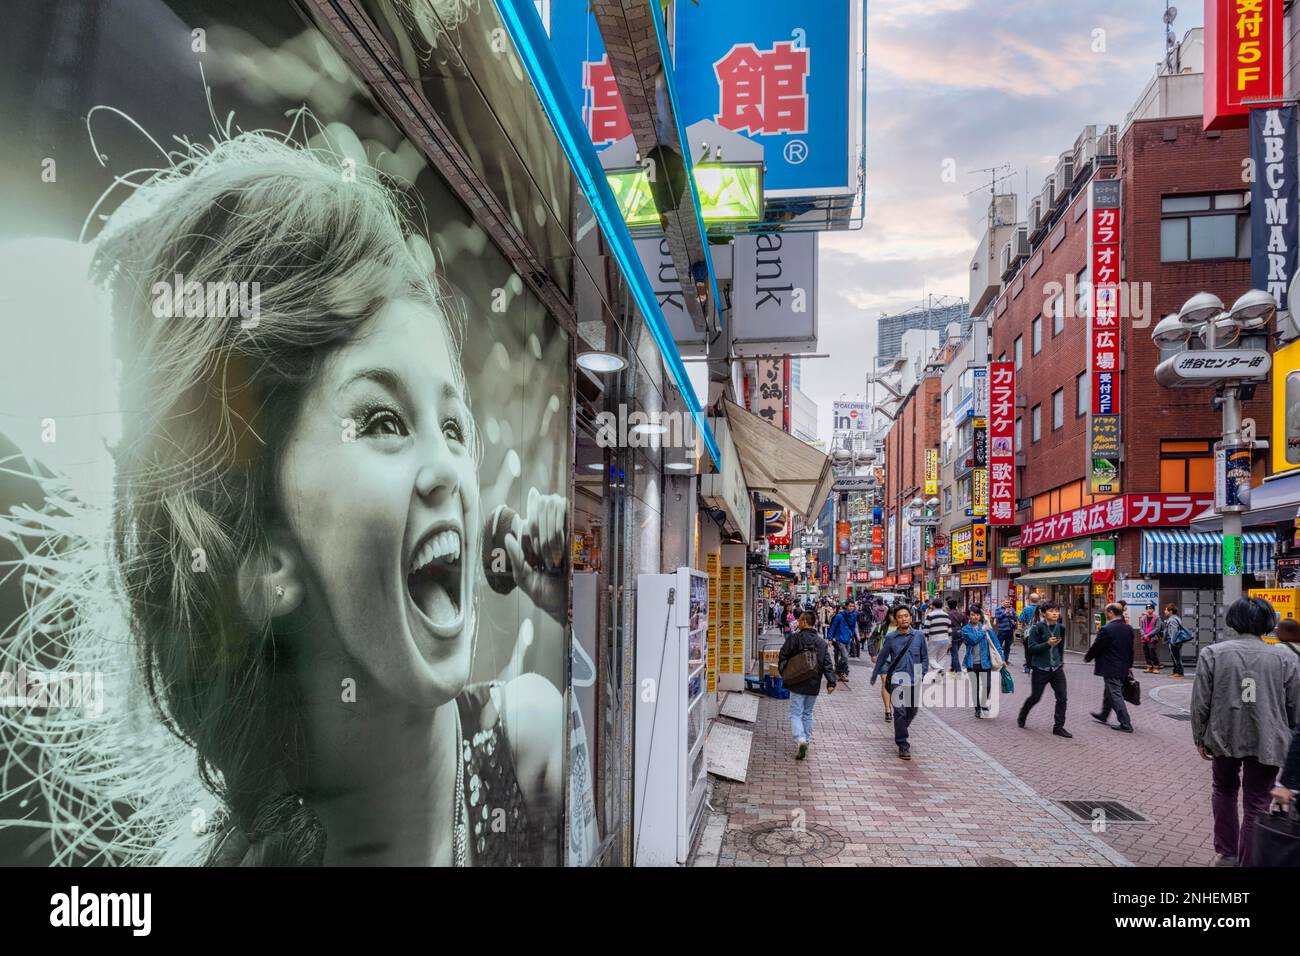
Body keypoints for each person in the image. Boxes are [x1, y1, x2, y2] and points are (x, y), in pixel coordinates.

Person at [0, 132, 570, 866]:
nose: (449, 472)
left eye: (454, 426)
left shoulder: (533, 757)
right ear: (267, 556)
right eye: (383, 422)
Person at [1192, 597, 1300, 867]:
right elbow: (1294, 706)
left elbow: (1200, 701)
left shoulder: (1213, 653)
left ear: (1233, 620)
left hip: (1223, 734)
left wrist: (1200, 735)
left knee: (1224, 790)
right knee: (1258, 800)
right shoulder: (1286, 657)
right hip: (1269, 738)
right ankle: (1249, 860)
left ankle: (1226, 852)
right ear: (1267, 623)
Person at [870, 606, 928, 760]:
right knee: (900, 712)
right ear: (896, 619)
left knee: (912, 711)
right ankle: (903, 744)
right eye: (900, 616)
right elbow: (882, 657)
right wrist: (875, 675)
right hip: (897, 679)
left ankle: (901, 729)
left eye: (906, 616)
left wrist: (922, 674)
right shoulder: (891, 638)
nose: (904, 619)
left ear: (910, 617)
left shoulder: (919, 636)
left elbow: (924, 657)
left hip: (914, 680)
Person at [778, 611, 837, 760]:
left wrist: (784, 672)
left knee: (796, 713)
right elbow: (827, 663)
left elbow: (783, 656)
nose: (798, 621)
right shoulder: (821, 643)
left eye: (800, 619)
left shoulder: (794, 638)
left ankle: (800, 740)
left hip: (796, 682)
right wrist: (831, 682)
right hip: (813, 683)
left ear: (804, 621)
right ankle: (807, 741)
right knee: (807, 713)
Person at [1018, 601, 1072, 738]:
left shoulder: (1061, 628)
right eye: (1051, 611)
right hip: (1040, 669)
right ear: (1043, 613)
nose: (1055, 613)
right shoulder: (1037, 628)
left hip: (1056, 669)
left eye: (1057, 611)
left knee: (1062, 698)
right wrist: (1047, 644)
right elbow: (1032, 648)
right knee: (1035, 697)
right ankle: (1023, 714)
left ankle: (1058, 727)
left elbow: (1060, 647)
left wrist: (1060, 661)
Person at [1086, 603, 1136, 733]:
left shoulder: (1107, 629)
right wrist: (1129, 665)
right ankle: (1104, 714)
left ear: (1111, 612)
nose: (1106, 614)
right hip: (1123, 666)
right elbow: (1131, 650)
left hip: (1111, 666)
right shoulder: (1128, 628)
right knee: (1109, 691)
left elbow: (1097, 646)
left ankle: (1125, 723)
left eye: (1106, 612)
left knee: (1115, 694)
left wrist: (1088, 657)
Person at [961, 606, 1000, 718]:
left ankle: (983, 703)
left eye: (977, 615)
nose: (975, 617)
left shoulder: (986, 628)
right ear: (968, 616)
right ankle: (977, 709)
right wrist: (983, 630)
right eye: (973, 615)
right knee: (976, 687)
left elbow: (995, 642)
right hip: (972, 663)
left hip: (985, 662)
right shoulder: (965, 629)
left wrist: (1001, 657)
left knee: (987, 685)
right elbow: (973, 640)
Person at [827, 600, 856, 685]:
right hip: (840, 639)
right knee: (845, 656)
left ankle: (842, 674)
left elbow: (853, 627)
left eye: (853, 606)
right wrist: (830, 638)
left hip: (848, 639)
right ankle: (838, 670)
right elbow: (833, 626)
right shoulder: (839, 616)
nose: (851, 608)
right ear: (846, 606)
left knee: (845, 658)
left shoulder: (854, 615)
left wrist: (852, 636)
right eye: (850, 606)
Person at [924, 597, 954, 677]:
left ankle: (939, 669)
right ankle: (937, 677)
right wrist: (950, 642)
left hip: (934, 639)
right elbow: (949, 630)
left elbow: (926, 630)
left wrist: (925, 641)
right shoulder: (946, 615)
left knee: (930, 658)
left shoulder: (930, 615)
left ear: (933, 606)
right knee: (940, 659)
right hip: (945, 639)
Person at [1018, 591, 1041, 675]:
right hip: (1039, 632)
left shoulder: (1026, 608)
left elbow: (1020, 619)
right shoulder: (1041, 608)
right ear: (1038, 600)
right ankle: (1037, 667)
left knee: (1027, 650)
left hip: (1028, 632)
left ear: (1030, 600)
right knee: (1038, 650)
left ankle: (1027, 668)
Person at [1138, 603, 1162, 673]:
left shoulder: (1157, 617)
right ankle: (1149, 666)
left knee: (1152, 652)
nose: (1149, 610)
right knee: (1146, 652)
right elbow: (1141, 628)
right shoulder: (1143, 618)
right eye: (1147, 609)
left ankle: (1156, 667)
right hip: (1144, 638)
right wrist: (1144, 635)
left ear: (1153, 610)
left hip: (1152, 638)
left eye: (1150, 608)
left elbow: (1157, 628)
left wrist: (1148, 635)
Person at [993, 598, 1017, 666]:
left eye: (1008, 602)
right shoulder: (998, 609)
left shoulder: (1012, 609)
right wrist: (1004, 613)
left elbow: (1015, 618)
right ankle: (998, 659)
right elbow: (998, 618)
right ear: (1002, 602)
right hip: (1002, 630)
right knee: (999, 645)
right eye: (1006, 602)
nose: (1007, 604)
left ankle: (1006, 660)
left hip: (1010, 630)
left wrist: (1012, 614)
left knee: (1007, 646)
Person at [946, 598, 966, 674]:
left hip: (951, 634)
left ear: (948, 606)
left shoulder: (947, 614)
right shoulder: (961, 613)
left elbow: (946, 626)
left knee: (954, 653)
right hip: (960, 633)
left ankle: (958, 670)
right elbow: (965, 624)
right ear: (956, 605)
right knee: (955, 652)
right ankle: (953, 667)